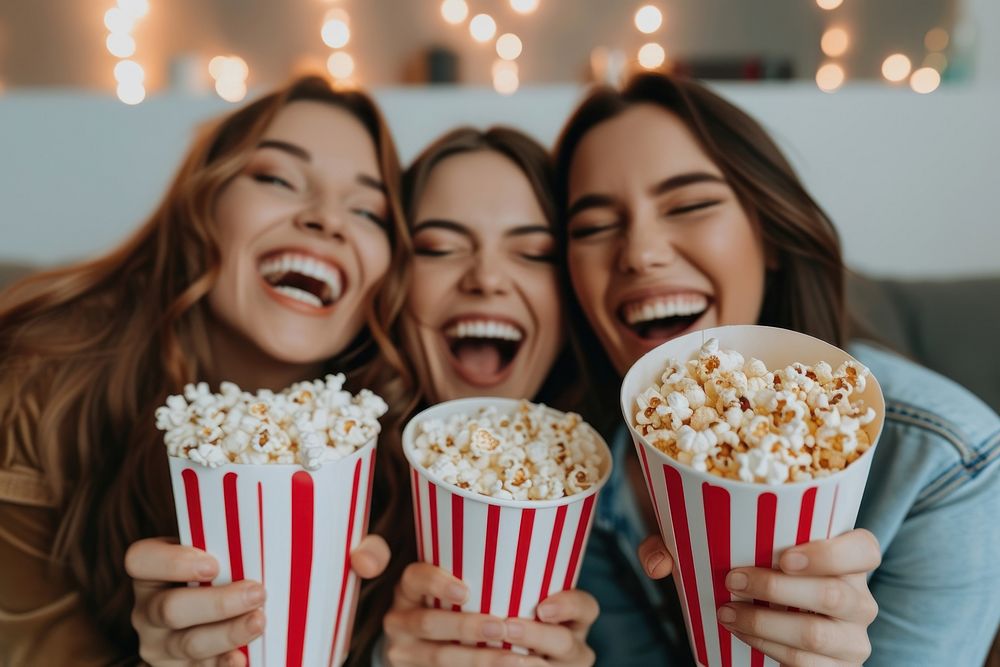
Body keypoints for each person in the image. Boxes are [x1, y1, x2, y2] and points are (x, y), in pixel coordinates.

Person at [552, 71, 1000, 666]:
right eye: (593, 227)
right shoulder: (569, 465)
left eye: (690, 205)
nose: (639, 253)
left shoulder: (950, 461)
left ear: (769, 234)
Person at [0, 75, 415, 666]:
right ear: (202, 203)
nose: (327, 219)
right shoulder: (44, 382)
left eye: (368, 210)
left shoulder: (403, 451)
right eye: (277, 179)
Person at [380, 127, 598, 667]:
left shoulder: (618, 508)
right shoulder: (330, 485)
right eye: (439, 248)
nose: (486, 278)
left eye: (534, 252)